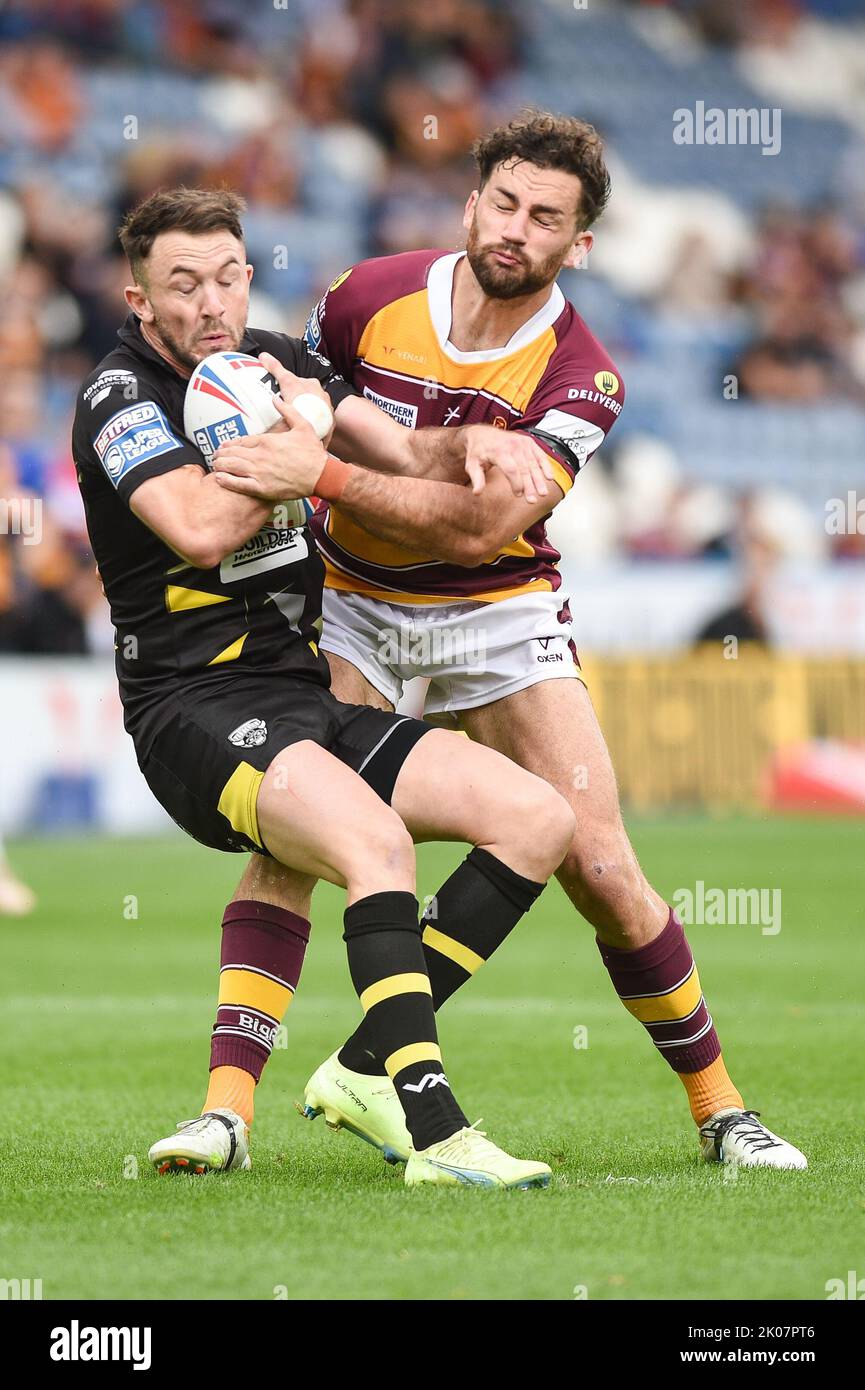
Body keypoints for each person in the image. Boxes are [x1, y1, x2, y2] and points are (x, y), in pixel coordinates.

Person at [214, 110, 807, 1170]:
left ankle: (720, 1109)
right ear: (470, 201)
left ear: (578, 245)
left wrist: (335, 476)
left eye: (546, 218)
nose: (516, 229)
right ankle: (225, 1117)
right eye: (504, 203)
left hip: (497, 615)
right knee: (292, 841)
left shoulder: (585, 375)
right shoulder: (362, 297)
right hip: (351, 597)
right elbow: (305, 414)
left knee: (600, 863)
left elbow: (487, 525)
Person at [71, 186, 577, 1189]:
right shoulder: (117, 397)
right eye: (182, 284)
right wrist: (298, 442)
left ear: (250, 274)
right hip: (192, 708)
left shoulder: (283, 362)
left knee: (536, 817)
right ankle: (434, 1130)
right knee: (372, 844)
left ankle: (341, 1074)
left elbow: (389, 447)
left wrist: (470, 443)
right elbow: (202, 529)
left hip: (303, 689)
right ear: (139, 300)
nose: (211, 301)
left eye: (227, 274)